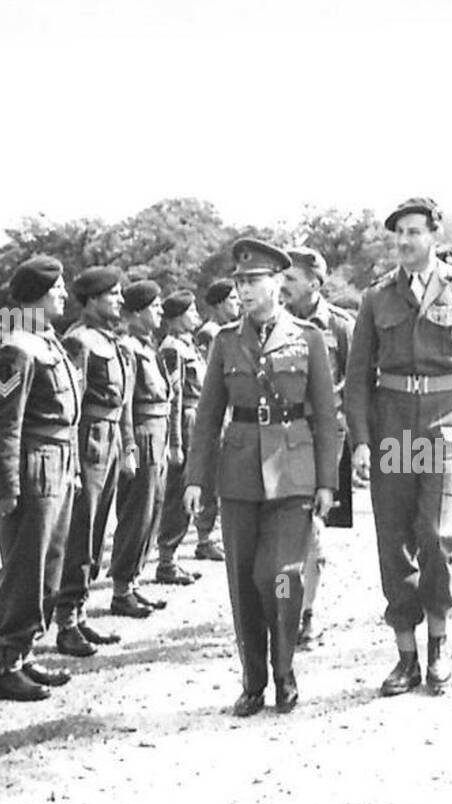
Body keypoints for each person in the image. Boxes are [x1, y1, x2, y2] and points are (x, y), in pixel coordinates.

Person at [343, 196, 452, 697]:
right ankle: (405, 656)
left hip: (445, 428)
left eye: (414, 232)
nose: (406, 242)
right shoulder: (377, 298)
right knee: (395, 542)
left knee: (436, 534)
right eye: (399, 234)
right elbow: (357, 377)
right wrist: (362, 443)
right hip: (394, 432)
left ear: (434, 234)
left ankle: (438, 645)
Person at [184, 238, 339, 715]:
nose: (245, 290)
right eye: (239, 282)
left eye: (254, 282)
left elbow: (326, 416)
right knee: (244, 580)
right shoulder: (226, 341)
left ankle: (284, 668)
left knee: (283, 576)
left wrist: (327, 481)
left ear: (277, 284)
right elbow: (208, 415)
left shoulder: (308, 337)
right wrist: (195, 478)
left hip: (294, 471)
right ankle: (253, 680)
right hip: (240, 472)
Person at [0, 255, 80, 701]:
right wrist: (5, 484)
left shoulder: (48, 343)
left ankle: (24, 654)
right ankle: (6, 663)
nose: (63, 294)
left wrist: (73, 467)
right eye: (57, 288)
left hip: (58, 460)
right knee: (26, 564)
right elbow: (3, 421)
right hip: (34, 464)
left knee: (50, 563)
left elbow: (69, 417)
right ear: (37, 297)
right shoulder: (18, 349)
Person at [52, 267, 135, 656]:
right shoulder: (79, 342)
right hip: (89, 440)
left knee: (99, 529)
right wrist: (72, 462)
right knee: (81, 531)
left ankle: (81, 614)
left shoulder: (109, 340)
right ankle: (66, 621)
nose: (119, 300)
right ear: (90, 300)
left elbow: (125, 401)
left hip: (111, 436)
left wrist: (128, 445)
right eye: (112, 294)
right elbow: (71, 404)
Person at [283, 245, 354, 648]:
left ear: (315, 281)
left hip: (327, 437)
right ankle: (284, 609)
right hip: (281, 437)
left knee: (312, 528)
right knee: (284, 530)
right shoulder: (272, 322)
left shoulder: (341, 327)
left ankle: (306, 613)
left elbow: (356, 381)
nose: (283, 286)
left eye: (290, 278)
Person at [107, 280, 177, 618]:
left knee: (153, 511)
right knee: (137, 513)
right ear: (135, 313)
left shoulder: (148, 347)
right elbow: (125, 402)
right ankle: (121, 589)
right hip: (142, 433)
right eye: (154, 306)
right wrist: (129, 447)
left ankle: (133, 583)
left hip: (159, 431)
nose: (160, 311)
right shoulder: (127, 349)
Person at [155, 290, 209, 585]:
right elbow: (173, 399)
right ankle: (166, 560)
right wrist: (175, 442)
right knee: (178, 493)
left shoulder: (188, 346)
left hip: (196, 419)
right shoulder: (172, 349)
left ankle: (171, 557)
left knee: (192, 488)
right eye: (191, 312)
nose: (197, 317)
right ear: (176, 318)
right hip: (185, 422)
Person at [190, 278, 242, 561]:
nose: (237, 303)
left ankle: (209, 533)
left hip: (224, 415)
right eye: (233, 298)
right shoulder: (211, 334)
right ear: (220, 304)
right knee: (210, 477)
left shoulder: (224, 332)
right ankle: (204, 536)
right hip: (211, 414)